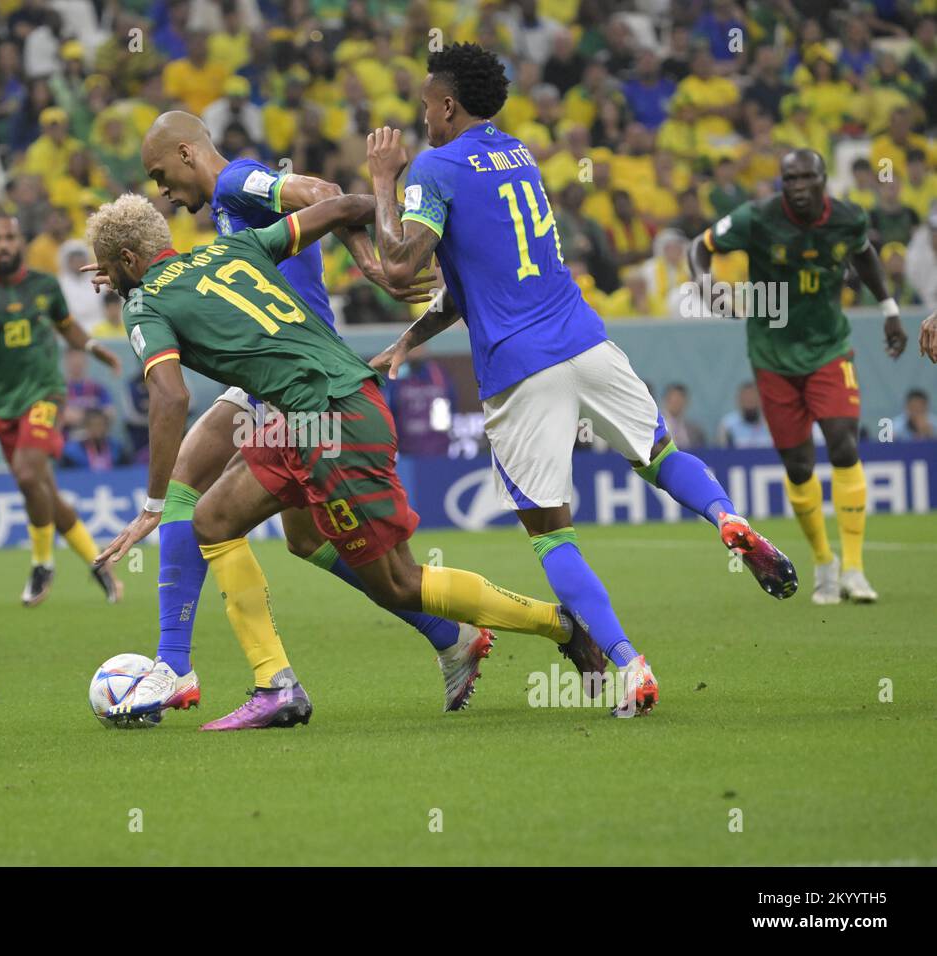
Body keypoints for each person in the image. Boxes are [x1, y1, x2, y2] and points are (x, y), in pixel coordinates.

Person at [367, 43, 798, 717]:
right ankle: (728, 517)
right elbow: (467, 287)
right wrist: (407, 342)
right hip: (586, 339)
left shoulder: (432, 166)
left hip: (518, 365)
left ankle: (630, 665)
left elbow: (398, 266)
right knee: (660, 456)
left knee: (552, 535)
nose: (421, 116)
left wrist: (382, 179)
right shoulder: (520, 156)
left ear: (448, 104)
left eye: (426, 104)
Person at [88, 192, 603, 730]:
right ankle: (276, 687)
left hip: (335, 421)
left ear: (126, 262)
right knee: (214, 520)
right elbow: (339, 207)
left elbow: (170, 398)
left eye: (109, 271)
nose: (107, 285)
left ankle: (561, 625)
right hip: (313, 409)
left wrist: (152, 504)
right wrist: (384, 249)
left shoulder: (144, 303)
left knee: (398, 583)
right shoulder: (231, 250)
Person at [86, 110, 498, 721]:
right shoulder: (223, 213)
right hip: (285, 373)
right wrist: (128, 278)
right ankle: (451, 636)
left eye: (161, 175)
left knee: (184, 491)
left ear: (186, 152)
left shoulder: (235, 183)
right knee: (308, 540)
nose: (163, 192)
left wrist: (371, 263)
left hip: (288, 371)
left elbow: (327, 196)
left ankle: (178, 665)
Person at [690, 148, 908, 605]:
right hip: (774, 355)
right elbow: (701, 248)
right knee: (799, 465)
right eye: (790, 179)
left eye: (807, 177)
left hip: (830, 347)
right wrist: (706, 287)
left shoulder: (847, 217)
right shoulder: (756, 218)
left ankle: (854, 567)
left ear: (824, 179)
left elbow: (866, 256)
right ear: (782, 182)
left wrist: (889, 308)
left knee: (844, 443)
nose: (799, 186)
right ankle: (824, 561)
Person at [0, 215, 123, 607]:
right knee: (44, 492)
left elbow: (67, 327)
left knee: (26, 471)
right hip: (4, 405)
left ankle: (42, 565)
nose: (3, 244)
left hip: (45, 393)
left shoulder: (44, 286)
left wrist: (92, 348)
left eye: (9, 237)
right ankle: (99, 564)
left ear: (20, 242)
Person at [716, 382, 774, 448]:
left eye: (753, 397)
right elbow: (722, 452)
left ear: (760, 399)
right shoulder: (727, 424)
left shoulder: (772, 423)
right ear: (738, 400)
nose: (749, 400)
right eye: (745, 397)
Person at [660, 383, 706, 449]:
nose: (676, 404)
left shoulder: (696, 431)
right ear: (666, 400)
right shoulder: (656, 427)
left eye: (679, 400)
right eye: (674, 400)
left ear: (686, 402)